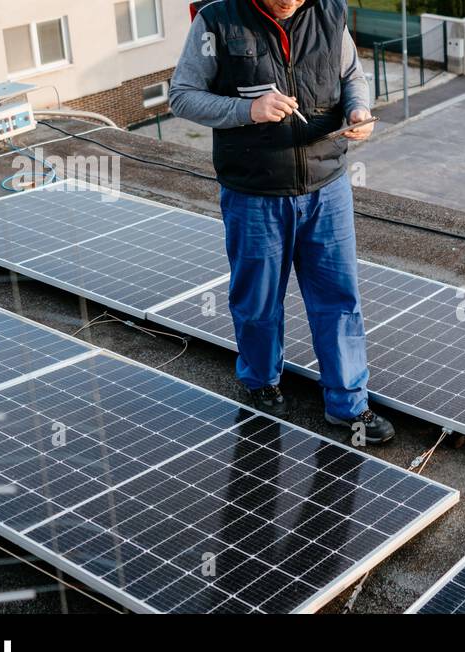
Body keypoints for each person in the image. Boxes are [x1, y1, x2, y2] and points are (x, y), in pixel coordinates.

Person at [169, 0, 394, 443]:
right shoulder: (217, 19)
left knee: (338, 299)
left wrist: (358, 111)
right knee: (257, 301)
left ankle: (349, 404)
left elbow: (352, 76)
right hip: (254, 193)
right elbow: (183, 95)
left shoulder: (330, 13)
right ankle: (261, 383)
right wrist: (247, 110)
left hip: (327, 188)